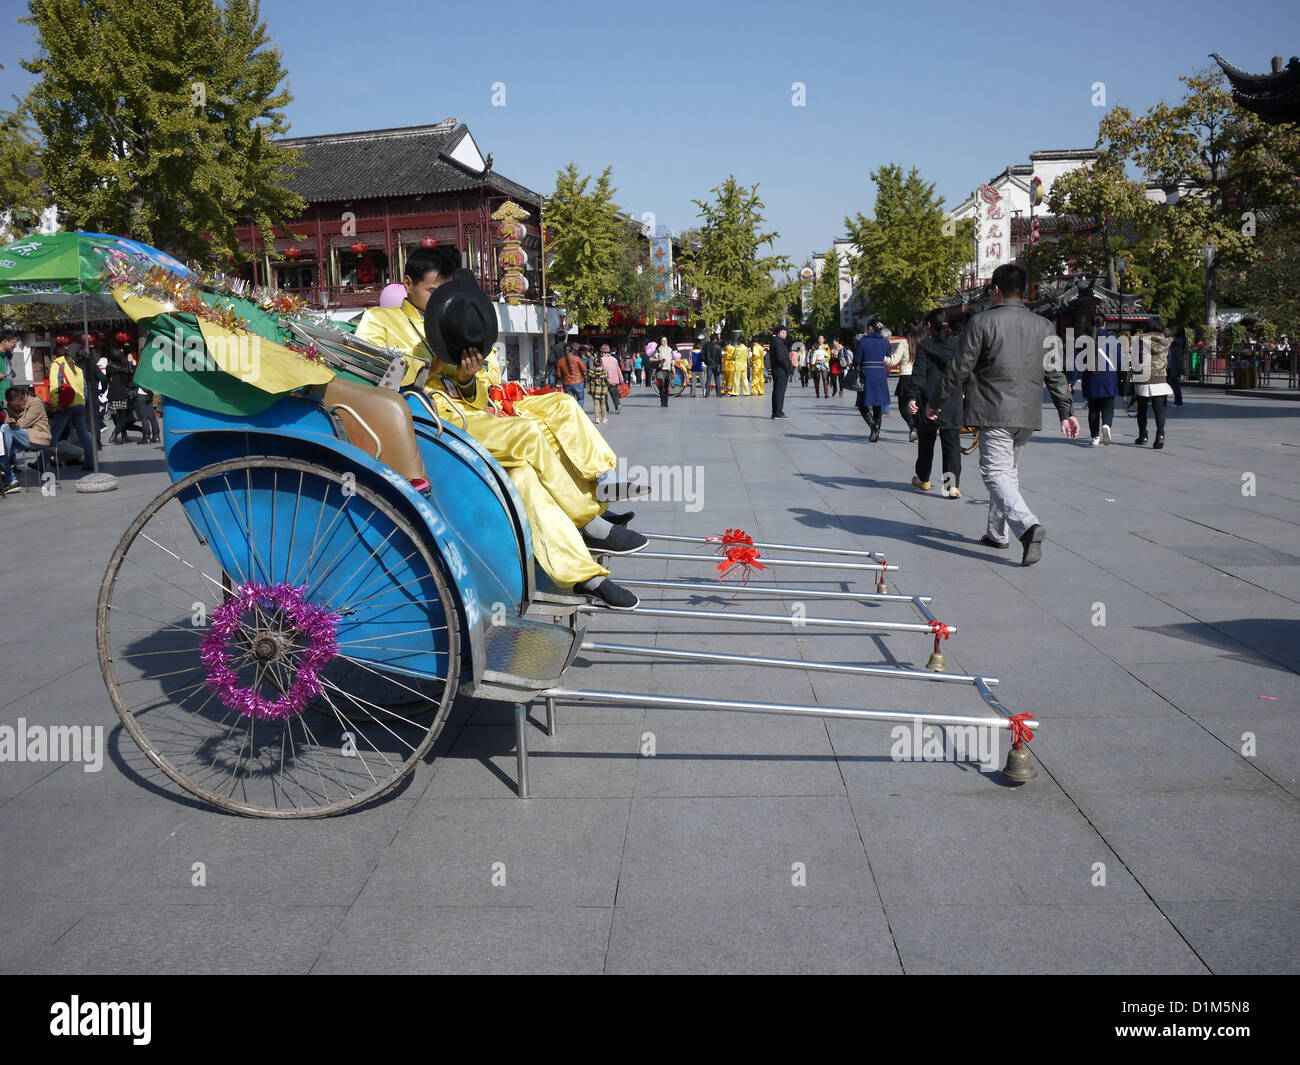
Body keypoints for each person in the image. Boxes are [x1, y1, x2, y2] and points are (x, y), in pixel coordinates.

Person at [355, 246, 646, 609]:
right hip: (425, 419)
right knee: (528, 433)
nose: (438, 299)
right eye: (431, 291)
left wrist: (464, 377)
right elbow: (371, 381)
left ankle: (583, 575)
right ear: (408, 284)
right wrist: (430, 369)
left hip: (467, 412)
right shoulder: (379, 321)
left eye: (443, 291)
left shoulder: (451, 317)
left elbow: (476, 397)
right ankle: (586, 518)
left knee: (524, 473)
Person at [929, 263, 1078, 566]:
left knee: (995, 474)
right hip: (1027, 413)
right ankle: (997, 533)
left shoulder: (982, 322)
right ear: (1023, 290)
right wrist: (1066, 411)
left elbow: (960, 367)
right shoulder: (1044, 326)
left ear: (995, 289)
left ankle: (1028, 527)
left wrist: (937, 401)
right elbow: (1054, 372)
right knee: (1008, 474)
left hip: (994, 410)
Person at [908, 309, 963, 497]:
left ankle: (923, 479)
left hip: (928, 401)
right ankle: (950, 486)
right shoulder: (958, 346)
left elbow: (919, 373)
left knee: (926, 442)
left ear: (930, 325)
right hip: (952, 399)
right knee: (951, 444)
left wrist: (913, 396)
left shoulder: (925, 346)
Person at [48, 346, 97, 470]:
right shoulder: (76, 367)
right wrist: (82, 401)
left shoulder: (57, 365)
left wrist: (54, 403)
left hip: (66, 405)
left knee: (53, 435)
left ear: (54, 356)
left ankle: (42, 462)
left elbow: (55, 386)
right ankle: (91, 462)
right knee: (84, 435)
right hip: (79, 404)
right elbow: (84, 387)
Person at [2, 387, 52, 493]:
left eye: (18, 405)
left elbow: (23, 424)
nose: (17, 408)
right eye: (14, 406)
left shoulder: (35, 404)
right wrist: (10, 415)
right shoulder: (12, 405)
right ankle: (11, 481)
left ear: (24, 397)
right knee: (3, 448)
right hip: (22, 437)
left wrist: (13, 419)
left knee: (4, 430)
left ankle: (7, 472)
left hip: (38, 438)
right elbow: (8, 422)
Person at [1079, 315, 1119, 447]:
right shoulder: (1112, 340)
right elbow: (1119, 361)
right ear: (1105, 324)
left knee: (1093, 410)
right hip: (1108, 378)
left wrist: (1071, 380)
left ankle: (1095, 436)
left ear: (1091, 324)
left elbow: (1077, 362)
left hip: (1091, 377)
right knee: (1108, 406)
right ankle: (1106, 426)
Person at [1134, 317, 1173, 449]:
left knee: (1142, 410)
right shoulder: (1166, 343)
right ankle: (1160, 436)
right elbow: (1169, 363)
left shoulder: (1140, 341)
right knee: (1159, 410)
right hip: (1160, 378)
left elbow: (1135, 361)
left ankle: (1143, 435)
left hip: (1144, 379)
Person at [853, 320, 893, 442]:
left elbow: (857, 359)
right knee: (877, 405)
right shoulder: (885, 342)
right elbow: (887, 355)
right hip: (880, 374)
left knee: (862, 404)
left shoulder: (863, 341)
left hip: (867, 374)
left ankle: (873, 427)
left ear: (870, 328)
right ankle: (876, 433)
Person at [894, 329, 917, 440]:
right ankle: (916, 426)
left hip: (905, 377)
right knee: (916, 405)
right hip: (918, 377)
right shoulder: (921, 342)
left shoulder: (903, 343)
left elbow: (894, 361)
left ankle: (912, 424)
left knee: (902, 406)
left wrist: (883, 359)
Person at [769, 324, 794, 419]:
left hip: (777, 370)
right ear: (780, 332)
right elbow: (781, 357)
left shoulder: (775, 341)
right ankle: (778, 412)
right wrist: (788, 368)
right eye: (785, 333)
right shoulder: (779, 342)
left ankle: (775, 411)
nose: (786, 335)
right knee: (780, 391)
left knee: (776, 391)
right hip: (781, 371)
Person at [599, 344, 624, 414]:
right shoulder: (614, 360)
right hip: (614, 381)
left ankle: (606, 409)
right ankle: (617, 405)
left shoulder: (601, 360)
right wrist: (621, 380)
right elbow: (618, 370)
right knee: (615, 395)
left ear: (602, 352)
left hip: (605, 381)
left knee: (604, 397)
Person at [652, 336, 673, 407]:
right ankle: (662, 399)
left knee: (666, 387)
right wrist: (658, 359)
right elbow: (651, 359)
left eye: (665, 340)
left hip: (668, 370)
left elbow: (672, 359)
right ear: (660, 341)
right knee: (661, 385)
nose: (664, 342)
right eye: (663, 340)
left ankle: (666, 401)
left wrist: (673, 365)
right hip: (660, 370)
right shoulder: (657, 350)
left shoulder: (670, 350)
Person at [1168, 325, 1186, 407]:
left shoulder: (1178, 340)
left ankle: (1178, 401)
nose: (1172, 331)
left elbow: (1168, 338)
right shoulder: (1179, 340)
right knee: (1170, 382)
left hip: (1174, 365)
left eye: (1174, 330)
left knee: (1174, 383)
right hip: (1173, 364)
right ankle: (1177, 401)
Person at [701, 332, 723, 397]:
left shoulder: (705, 346)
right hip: (716, 364)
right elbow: (720, 357)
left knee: (708, 379)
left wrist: (706, 362)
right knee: (717, 379)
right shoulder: (718, 346)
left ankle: (707, 394)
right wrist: (720, 364)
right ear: (715, 339)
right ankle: (718, 394)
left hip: (709, 364)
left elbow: (703, 356)